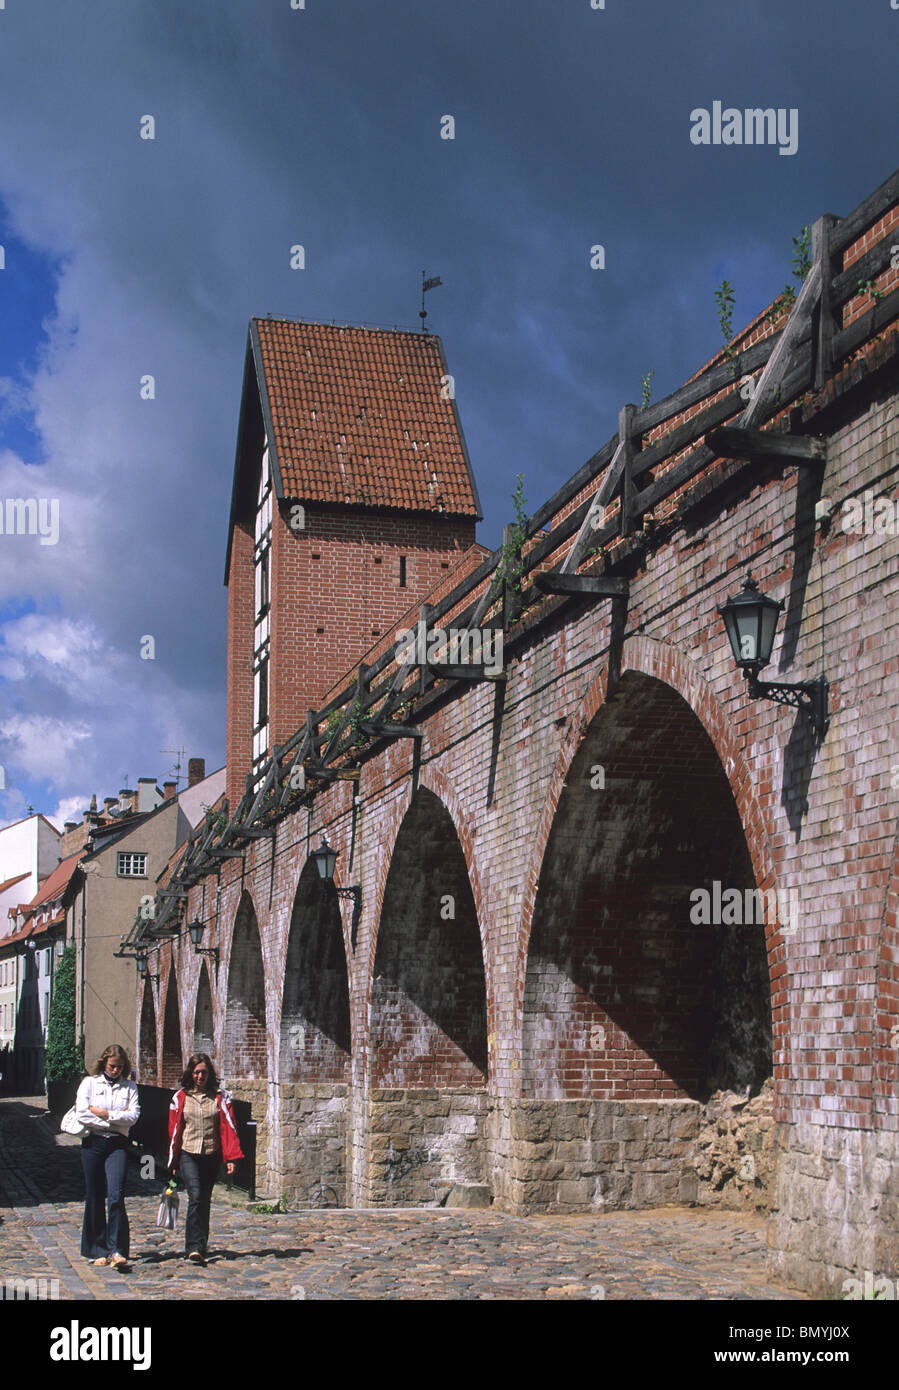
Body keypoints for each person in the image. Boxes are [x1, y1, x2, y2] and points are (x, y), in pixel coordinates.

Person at [167, 1052, 243, 1265]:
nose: (200, 1076)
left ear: (209, 1074)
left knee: (205, 1200)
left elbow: (230, 1127)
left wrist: (231, 1158)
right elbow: (173, 1130)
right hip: (188, 1152)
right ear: (191, 1073)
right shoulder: (180, 1097)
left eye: (204, 1072)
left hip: (211, 1153)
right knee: (196, 1195)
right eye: (197, 1072)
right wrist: (172, 1161)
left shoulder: (220, 1097)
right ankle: (192, 1246)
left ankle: (201, 1244)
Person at [75, 1043, 140, 1270]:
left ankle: (116, 1249)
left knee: (116, 1195)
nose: (115, 1071)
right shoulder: (90, 1083)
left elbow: (132, 1117)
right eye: (112, 1066)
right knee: (94, 1195)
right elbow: (82, 1113)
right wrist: (114, 1119)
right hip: (93, 1143)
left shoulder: (130, 1087)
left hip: (118, 1145)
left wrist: (102, 1113)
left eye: (120, 1067)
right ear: (104, 1063)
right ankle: (96, 1248)